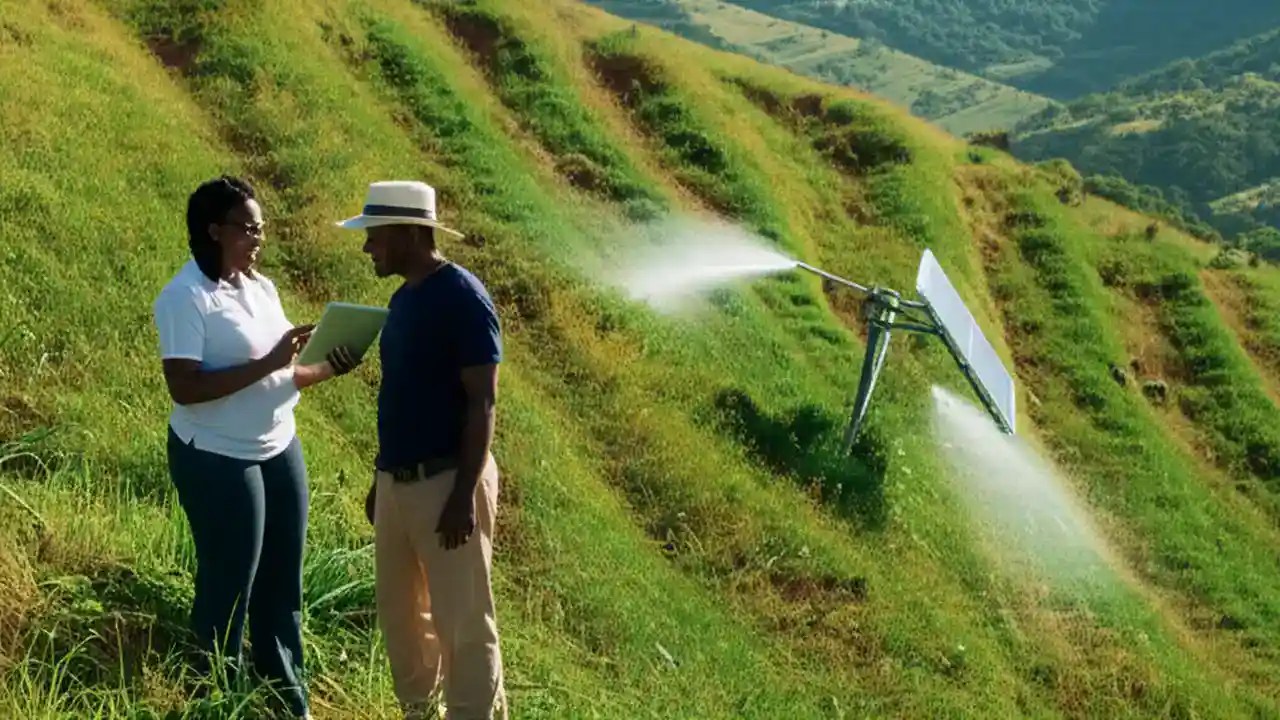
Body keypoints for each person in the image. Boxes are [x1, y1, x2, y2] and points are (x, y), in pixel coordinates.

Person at [153, 176, 360, 719]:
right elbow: (185, 387)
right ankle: (215, 698)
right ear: (213, 231)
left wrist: (325, 366)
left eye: (261, 229)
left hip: (277, 446)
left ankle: (287, 701)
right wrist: (268, 363)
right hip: (218, 456)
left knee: (281, 582)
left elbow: (284, 374)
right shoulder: (184, 298)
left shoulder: (260, 288)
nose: (258, 239)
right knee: (230, 583)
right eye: (248, 229)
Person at [335, 180, 507, 720]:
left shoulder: (463, 297)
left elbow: (482, 403)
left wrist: (461, 497)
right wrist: (380, 479)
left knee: (463, 623)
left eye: (375, 236)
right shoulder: (403, 299)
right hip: (398, 484)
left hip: (448, 481)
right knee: (401, 615)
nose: (367, 248)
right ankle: (418, 710)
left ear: (410, 232)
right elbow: (402, 395)